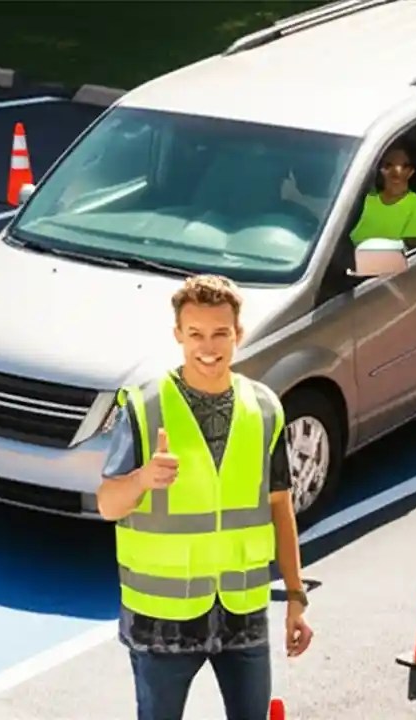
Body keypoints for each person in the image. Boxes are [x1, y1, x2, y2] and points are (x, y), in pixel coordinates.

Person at [97, 274, 313, 720]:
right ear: (178, 334)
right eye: (195, 334)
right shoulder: (143, 407)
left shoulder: (265, 408)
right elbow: (107, 504)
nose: (208, 346)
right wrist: (141, 479)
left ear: (238, 334)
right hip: (162, 617)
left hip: (243, 609)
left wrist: (296, 597)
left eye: (220, 333)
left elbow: (279, 507)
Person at [348, 141, 416, 247]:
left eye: (404, 166)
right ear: (381, 169)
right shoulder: (363, 200)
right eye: (389, 165)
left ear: (411, 171)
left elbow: (410, 254)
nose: (396, 172)